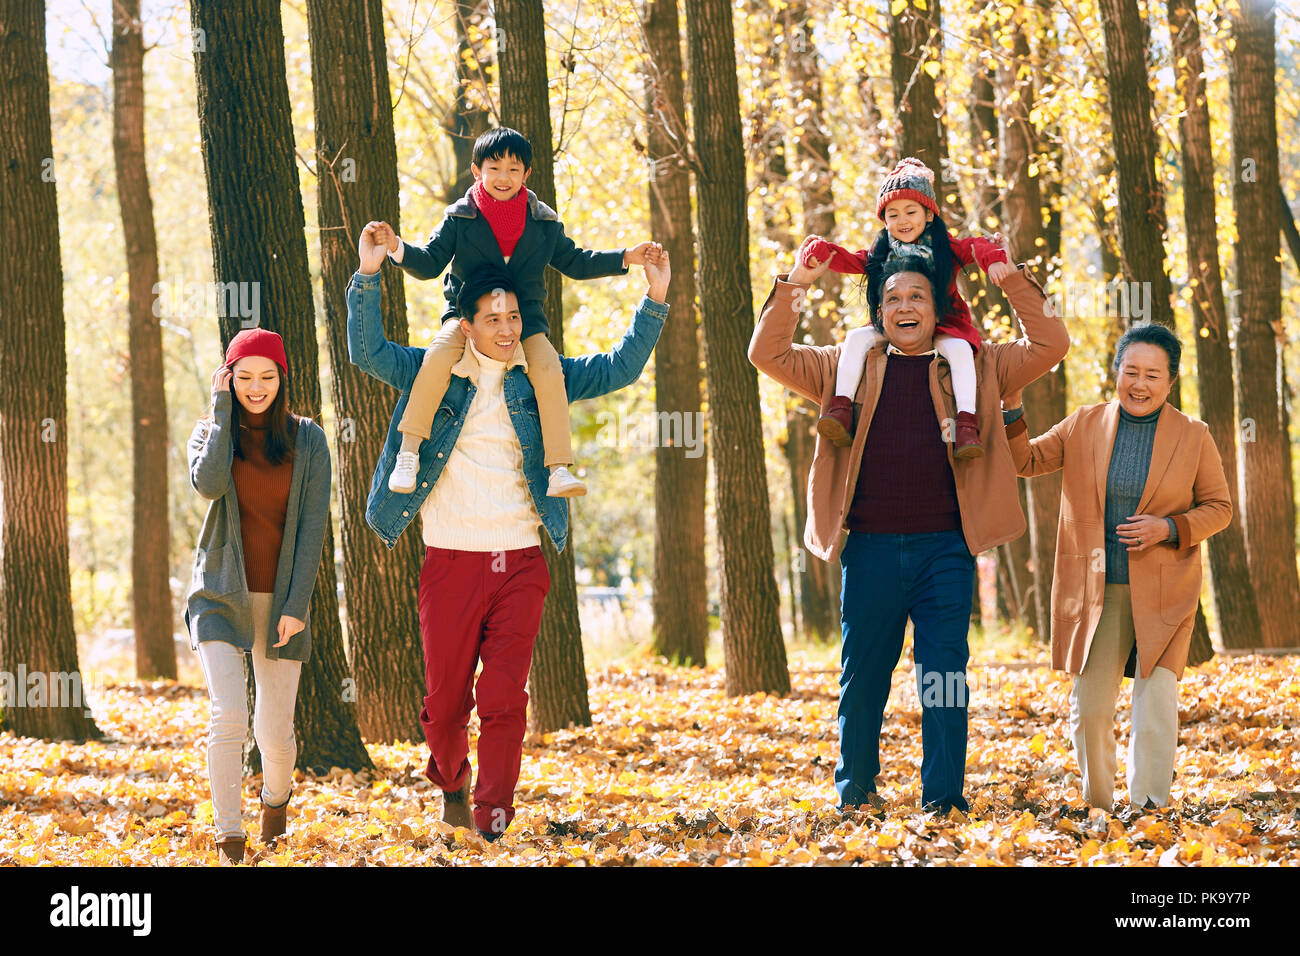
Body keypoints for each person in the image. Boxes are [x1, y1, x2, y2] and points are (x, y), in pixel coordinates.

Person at [347, 220, 669, 841]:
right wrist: (367, 274)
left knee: (503, 698)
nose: (506, 328)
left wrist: (653, 298)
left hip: (520, 561)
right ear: (466, 324)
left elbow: (619, 368)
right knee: (443, 706)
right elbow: (367, 352)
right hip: (451, 561)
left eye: (514, 316)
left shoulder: (542, 379)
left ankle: (493, 817)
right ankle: (452, 782)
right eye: (492, 318)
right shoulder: (431, 374)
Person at [748, 236, 1068, 812]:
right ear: (879, 310)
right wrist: (795, 282)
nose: (905, 307)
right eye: (892, 297)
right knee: (862, 678)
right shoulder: (842, 370)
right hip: (868, 551)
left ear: (936, 306)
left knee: (944, 678)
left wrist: (1007, 277)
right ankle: (855, 794)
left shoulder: (981, 365)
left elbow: (1051, 341)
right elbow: (766, 354)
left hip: (945, 551)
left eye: (917, 295)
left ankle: (943, 799)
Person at [1003, 322, 1232, 810]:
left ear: (1170, 382)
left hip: (1165, 590)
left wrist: (1167, 528)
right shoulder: (1084, 423)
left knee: (1155, 707)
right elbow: (1025, 460)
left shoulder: (1194, 436)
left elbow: (1219, 507)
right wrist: (1012, 407)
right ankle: (1100, 807)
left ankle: (1149, 808)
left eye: (1153, 375)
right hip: (1096, 592)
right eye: (1131, 371)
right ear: (1116, 372)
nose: (1140, 384)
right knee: (1089, 707)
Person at [369, 126, 660, 498]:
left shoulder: (543, 223)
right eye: (494, 167)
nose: (503, 177)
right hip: (468, 317)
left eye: (513, 168)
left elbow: (575, 261)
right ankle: (408, 453)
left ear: (526, 174)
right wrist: (396, 247)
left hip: (526, 322)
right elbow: (428, 264)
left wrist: (625, 258)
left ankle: (558, 469)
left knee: (548, 367)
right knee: (439, 356)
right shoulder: (460, 218)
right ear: (477, 171)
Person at [185, 328, 332, 863]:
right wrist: (222, 410)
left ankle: (275, 807)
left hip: (280, 603)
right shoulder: (208, 433)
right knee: (228, 715)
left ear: (281, 379)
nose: (256, 387)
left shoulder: (308, 440)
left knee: (272, 729)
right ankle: (229, 837)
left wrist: (296, 608)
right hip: (219, 596)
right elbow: (209, 484)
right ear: (228, 379)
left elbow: (314, 527)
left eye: (266, 377)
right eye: (243, 377)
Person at [800, 157, 1014, 458]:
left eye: (911, 212)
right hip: (895, 325)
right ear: (884, 220)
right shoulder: (882, 251)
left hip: (944, 321)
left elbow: (975, 245)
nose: (902, 221)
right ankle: (841, 408)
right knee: (855, 340)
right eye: (893, 214)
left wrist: (993, 259)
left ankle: (966, 424)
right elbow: (850, 260)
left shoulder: (944, 247)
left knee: (960, 352)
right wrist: (822, 251)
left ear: (928, 214)